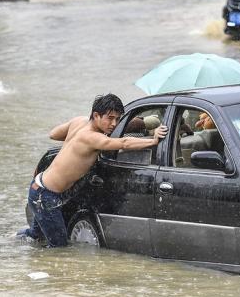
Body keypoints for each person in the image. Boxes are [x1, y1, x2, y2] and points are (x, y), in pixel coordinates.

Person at [17, 94, 168, 247]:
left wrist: (73, 141)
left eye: (117, 119)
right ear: (96, 115)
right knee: (58, 247)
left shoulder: (79, 122)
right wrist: (154, 140)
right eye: (110, 118)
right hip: (46, 197)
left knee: (35, 236)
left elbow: (53, 134)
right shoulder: (92, 138)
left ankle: (14, 245)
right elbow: (124, 143)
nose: (114, 124)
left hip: (40, 188)